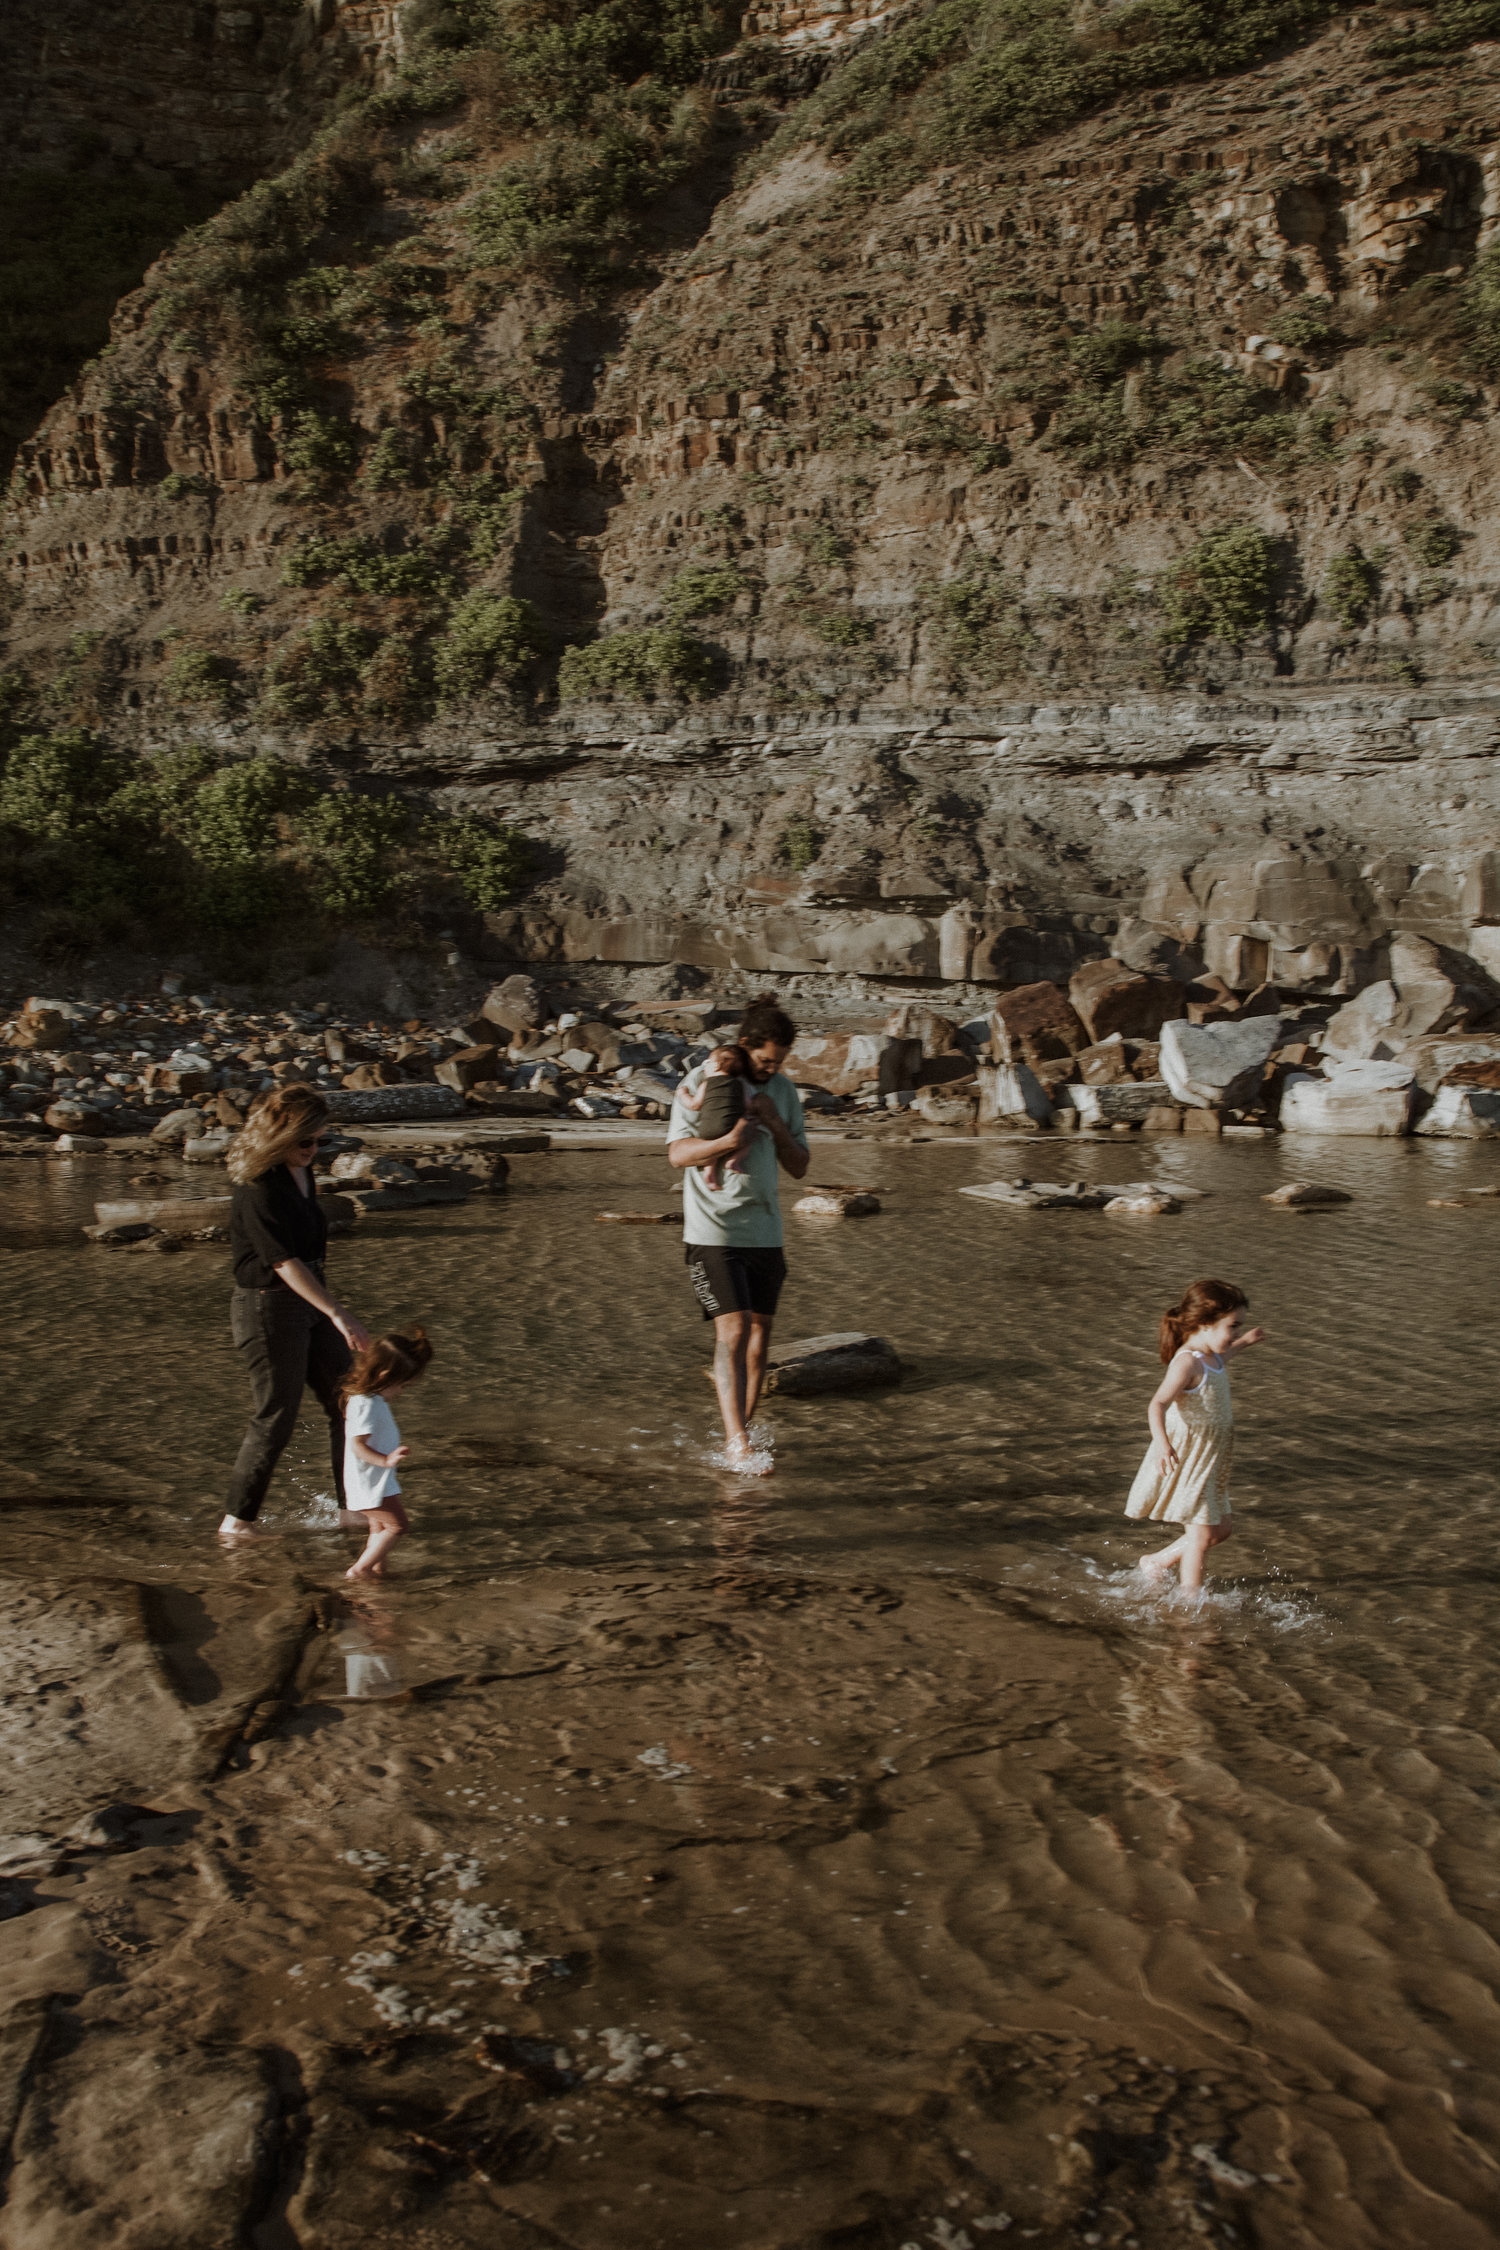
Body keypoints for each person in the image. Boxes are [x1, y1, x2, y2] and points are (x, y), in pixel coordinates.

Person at [218, 1085, 371, 1539]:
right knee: (276, 1416)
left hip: (309, 1301)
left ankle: (352, 1510)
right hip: (267, 1308)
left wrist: (327, 1310)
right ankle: (237, 1523)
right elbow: (284, 1261)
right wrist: (340, 1315)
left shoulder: (302, 1172)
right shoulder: (257, 1186)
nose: (314, 1150)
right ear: (280, 1136)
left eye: (321, 1141)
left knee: (350, 1403)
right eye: (306, 1141)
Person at [668, 993, 810, 1474]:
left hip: (765, 1232)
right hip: (713, 1229)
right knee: (733, 1331)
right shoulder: (708, 1077)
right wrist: (727, 1143)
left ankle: (740, 1432)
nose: (772, 1069)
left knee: (760, 1337)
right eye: (766, 1060)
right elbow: (678, 1154)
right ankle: (737, 1443)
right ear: (746, 1046)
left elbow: (800, 1167)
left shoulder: (784, 1092)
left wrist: (773, 1120)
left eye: (780, 1063)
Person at [1126, 1278, 1265, 1592]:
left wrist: (1246, 1342)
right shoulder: (1187, 1362)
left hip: (1212, 1460)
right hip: (1190, 1459)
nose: (1236, 1334)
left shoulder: (1211, 1358)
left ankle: (1157, 1562)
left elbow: (1223, 1359)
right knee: (1202, 1537)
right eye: (1233, 1327)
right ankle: (1191, 1603)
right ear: (1205, 1323)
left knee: (1222, 1529)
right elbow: (1157, 1404)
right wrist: (1162, 1444)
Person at [340, 1326, 433, 1580]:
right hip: (370, 1480)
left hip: (377, 1479)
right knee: (398, 1525)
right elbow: (357, 1445)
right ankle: (360, 1570)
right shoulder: (367, 1404)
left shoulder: (368, 1400)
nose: (401, 1392)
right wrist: (386, 1460)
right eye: (402, 1386)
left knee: (379, 1526)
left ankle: (378, 1570)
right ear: (384, 1376)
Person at [676, 1043, 756, 1190]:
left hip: (708, 1129)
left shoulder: (706, 1084)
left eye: (707, 1063)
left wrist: (683, 1094)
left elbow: (694, 1105)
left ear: (717, 1065)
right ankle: (733, 1161)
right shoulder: (741, 1084)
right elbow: (748, 1105)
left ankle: (709, 1176)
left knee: (710, 1153)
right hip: (733, 1128)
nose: (704, 1066)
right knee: (749, 1141)